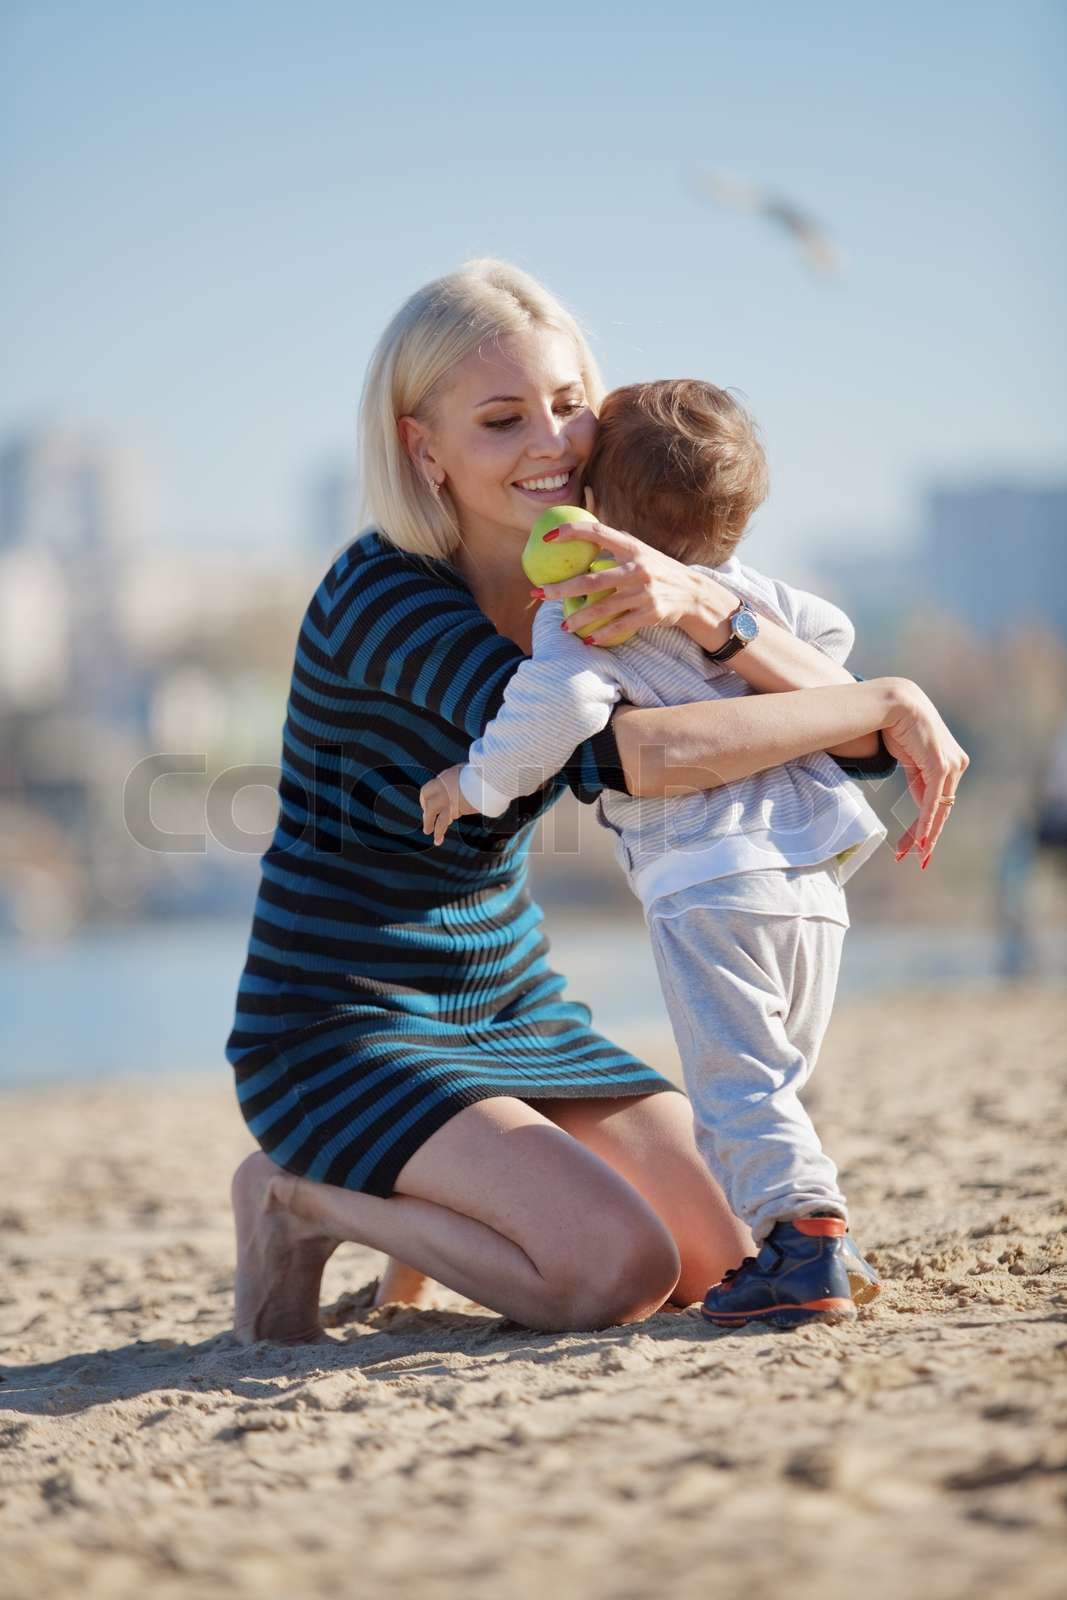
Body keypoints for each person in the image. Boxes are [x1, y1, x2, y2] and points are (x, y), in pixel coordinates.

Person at [226, 258, 968, 1343]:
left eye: (568, 404)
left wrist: (719, 615)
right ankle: (296, 1201)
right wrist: (885, 695)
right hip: (339, 1017)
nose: (550, 441)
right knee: (612, 1273)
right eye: (499, 417)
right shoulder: (380, 592)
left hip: (511, 999)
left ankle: (430, 1196)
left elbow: (853, 738)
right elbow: (632, 757)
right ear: (419, 446)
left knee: (714, 1258)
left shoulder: (599, 572)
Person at [421, 378, 951, 1327]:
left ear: (590, 507)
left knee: (735, 1084)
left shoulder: (580, 604)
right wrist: (737, 630)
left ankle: (805, 1248)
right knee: (771, 1078)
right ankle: (811, 1227)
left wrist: (477, 784)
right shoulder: (747, 593)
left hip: (708, 883)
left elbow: (565, 707)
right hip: (818, 880)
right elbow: (830, 642)